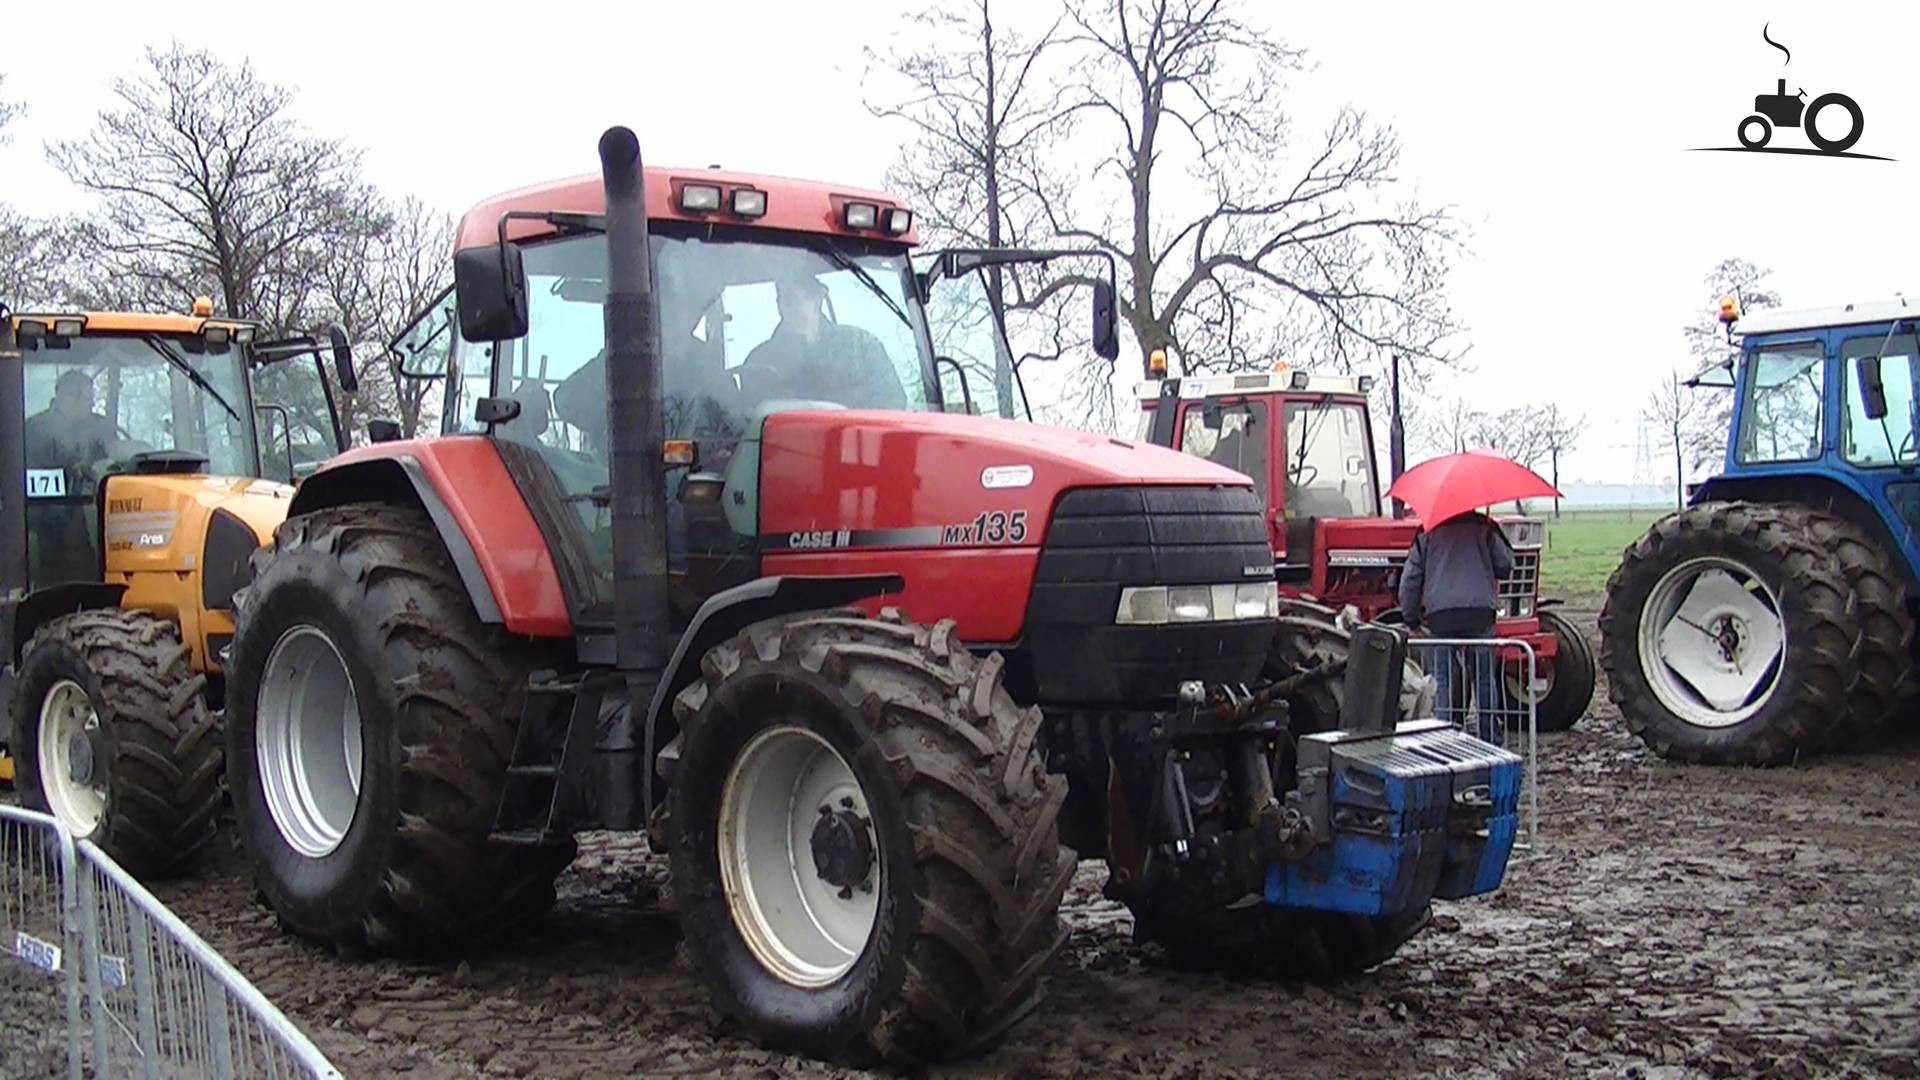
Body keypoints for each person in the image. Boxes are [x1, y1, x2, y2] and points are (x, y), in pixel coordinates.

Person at [1398, 509, 1515, 743]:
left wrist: (1410, 617)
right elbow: (1506, 565)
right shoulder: (1485, 527)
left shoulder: (1427, 531)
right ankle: (1489, 739)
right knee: (1484, 679)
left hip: (1441, 616)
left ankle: (1443, 738)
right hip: (1480, 614)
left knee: (1441, 680)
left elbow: (1410, 578)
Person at [739, 271, 906, 410]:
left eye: (792, 300)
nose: (784, 308)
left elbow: (894, 407)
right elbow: (745, 425)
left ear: (817, 301)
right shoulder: (758, 363)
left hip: (857, 447)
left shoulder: (862, 349)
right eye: (780, 300)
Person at [22, 370, 116, 587]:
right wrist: (70, 472)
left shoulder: (99, 429)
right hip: (47, 522)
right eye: (88, 401)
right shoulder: (33, 431)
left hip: (94, 515)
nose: (91, 408)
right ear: (69, 398)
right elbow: (26, 479)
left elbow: (109, 461)